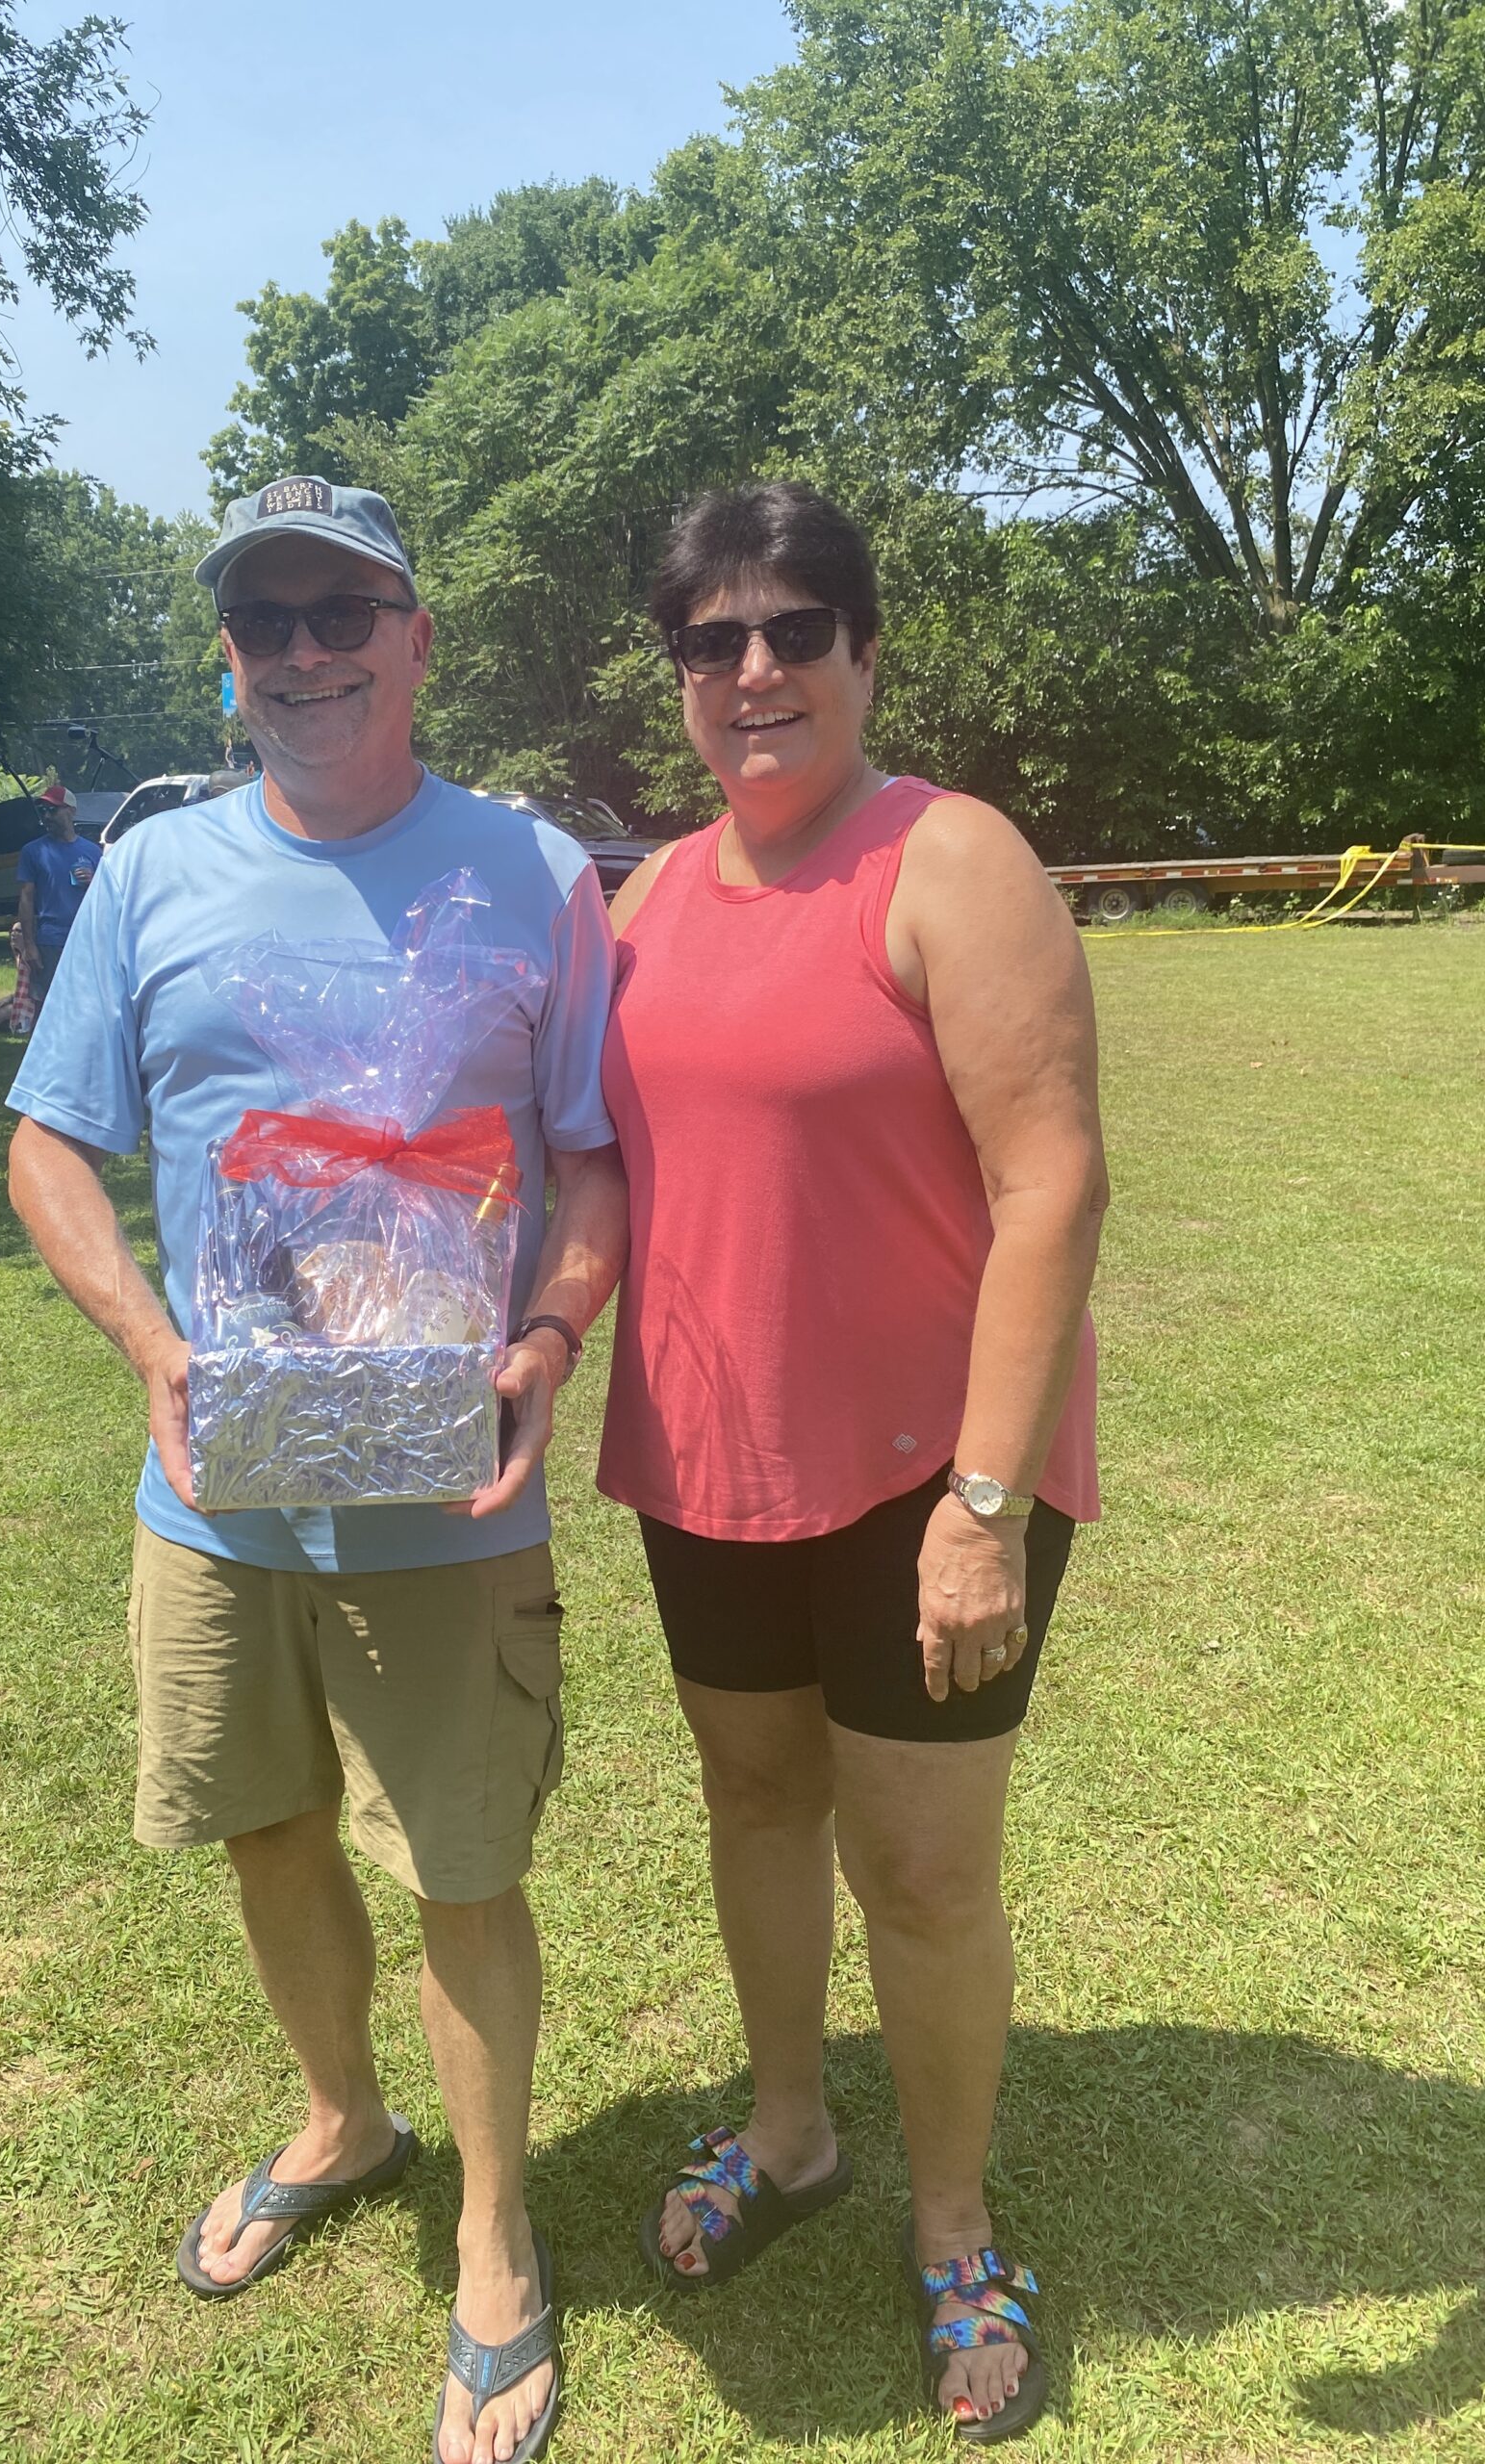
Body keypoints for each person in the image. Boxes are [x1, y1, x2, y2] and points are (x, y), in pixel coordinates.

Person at [6, 475, 627, 2464]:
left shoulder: (536, 870)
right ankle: (345, 2114)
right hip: (218, 1484)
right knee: (266, 1824)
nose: (301, 651)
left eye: (341, 608)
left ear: (415, 632)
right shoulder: (153, 874)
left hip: (451, 1489)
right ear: (229, 654)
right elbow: (47, 1142)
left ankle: (500, 2240)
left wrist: (544, 1337)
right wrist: (152, 1339)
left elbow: (596, 1155)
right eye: (263, 619)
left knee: (462, 1862)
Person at [599, 482, 1105, 2444]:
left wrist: (984, 1507)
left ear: (865, 651)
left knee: (918, 1862)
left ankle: (955, 2218)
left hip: (931, 1476)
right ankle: (794, 2121)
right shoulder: (644, 897)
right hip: (711, 1455)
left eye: (794, 629)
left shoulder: (948, 857)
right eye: (711, 641)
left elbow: (1050, 1181)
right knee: (753, 1794)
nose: (752, 671)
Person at [15, 783, 103, 1002]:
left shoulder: (93, 851)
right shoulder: (33, 851)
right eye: (43, 811)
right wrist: (29, 945)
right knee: (47, 1003)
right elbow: (26, 898)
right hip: (50, 940)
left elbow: (106, 898)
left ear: (71, 811)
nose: (47, 816)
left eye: (53, 810)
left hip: (86, 939)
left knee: (86, 1000)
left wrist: (94, 882)